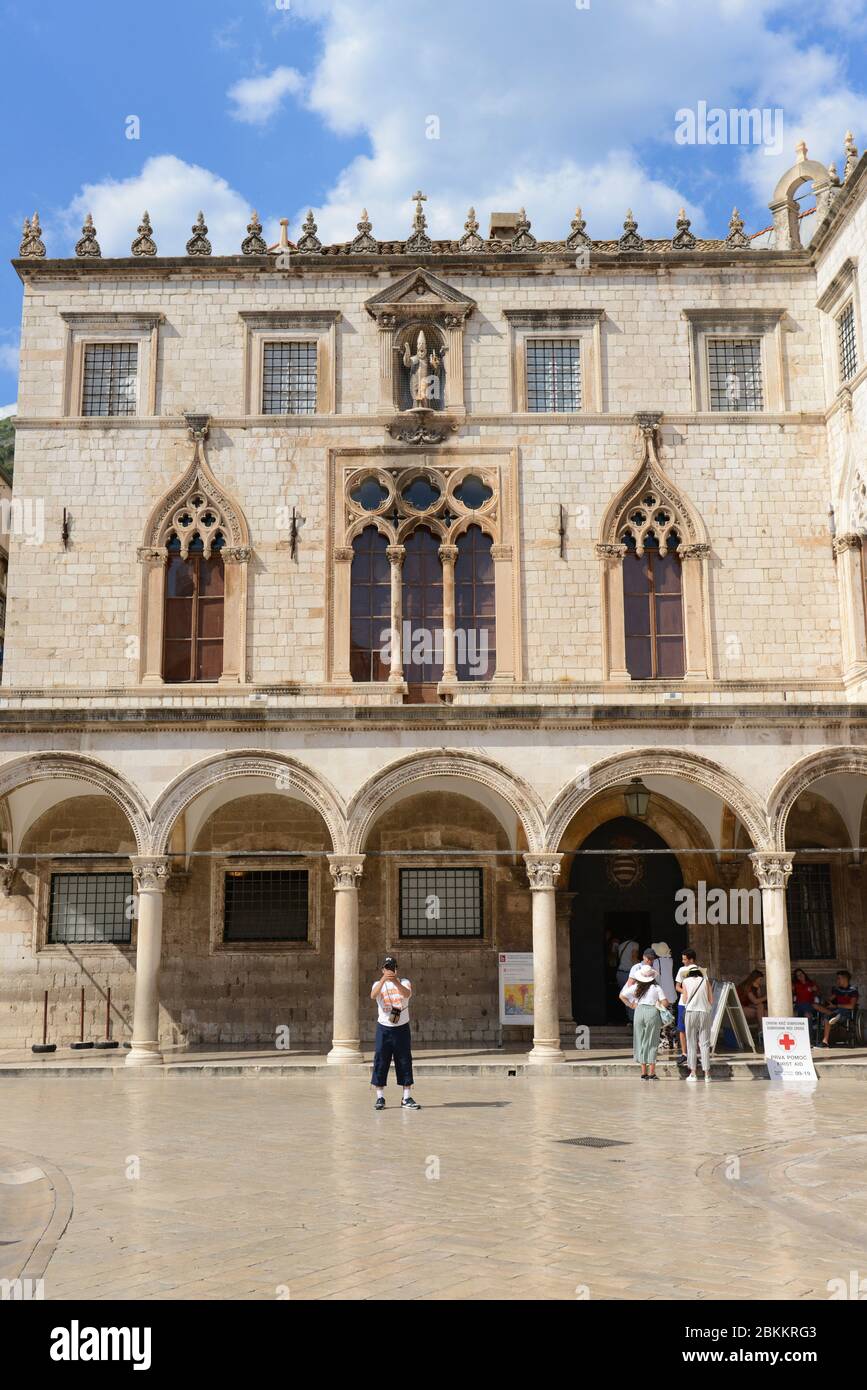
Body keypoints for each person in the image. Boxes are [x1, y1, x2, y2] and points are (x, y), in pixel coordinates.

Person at [370, 957, 420, 1110]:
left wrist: (395, 982)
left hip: (401, 1027)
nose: (389, 970)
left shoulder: (404, 982)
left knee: (404, 1060)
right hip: (384, 1027)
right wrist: (384, 980)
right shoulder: (377, 984)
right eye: (386, 968)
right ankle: (380, 1097)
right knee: (380, 1059)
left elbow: (407, 994)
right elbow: (373, 995)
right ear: (382, 970)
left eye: (392, 967)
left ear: (396, 969)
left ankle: (406, 1097)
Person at [619, 963, 671, 1080]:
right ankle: (652, 1072)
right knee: (652, 1041)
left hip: (639, 1012)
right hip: (652, 1012)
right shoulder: (656, 988)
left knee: (640, 1040)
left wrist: (631, 1004)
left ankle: (643, 1072)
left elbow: (622, 996)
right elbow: (665, 1003)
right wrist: (658, 1003)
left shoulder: (636, 987)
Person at [682, 967, 714, 1083]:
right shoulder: (705, 981)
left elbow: (685, 1000)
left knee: (691, 1042)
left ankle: (693, 1073)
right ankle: (707, 1074)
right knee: (705, 1043)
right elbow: (711, 1000)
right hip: (704, 1012)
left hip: (691, 1012)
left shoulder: (685, 982)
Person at [675, 948, 705, 1064]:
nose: (683, 961)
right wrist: (686, 992)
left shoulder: (700, 971)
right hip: (683, 1003)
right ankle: (684, 1053)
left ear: (691, 959)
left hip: (695, 1004)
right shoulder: (681, 970)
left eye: (685, 959)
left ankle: (695, 1054)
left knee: (695, 1029)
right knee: (682, 1029)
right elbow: (677, 986)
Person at [814, 971, 860, 1047]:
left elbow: (851, 1006)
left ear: (845, 979)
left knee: (830, 1015)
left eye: (839, 978)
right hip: (835, 1011)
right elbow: (829, 999)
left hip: (845, 1013)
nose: (837, 981)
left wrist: (836, 1006)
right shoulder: (837, 990)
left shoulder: (853, 990)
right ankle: (825, 1041)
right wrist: (825, 1000)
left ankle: (833, 1016)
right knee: (818, 1007)